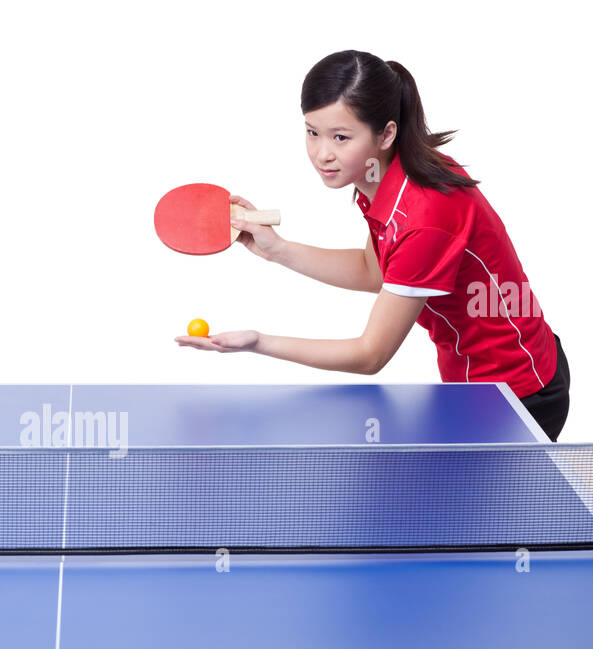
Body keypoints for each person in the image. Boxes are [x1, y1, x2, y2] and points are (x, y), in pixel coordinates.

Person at [175, 50, 570, 440]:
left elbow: (370, 356)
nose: (322, 154)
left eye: (341, 137)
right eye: (312, 132)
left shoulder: (425, 217)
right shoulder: (385, 176)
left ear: (386, 133)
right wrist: (277, 249)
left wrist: (258, 342)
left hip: (516, 395)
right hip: (476, 378)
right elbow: (375, 270)